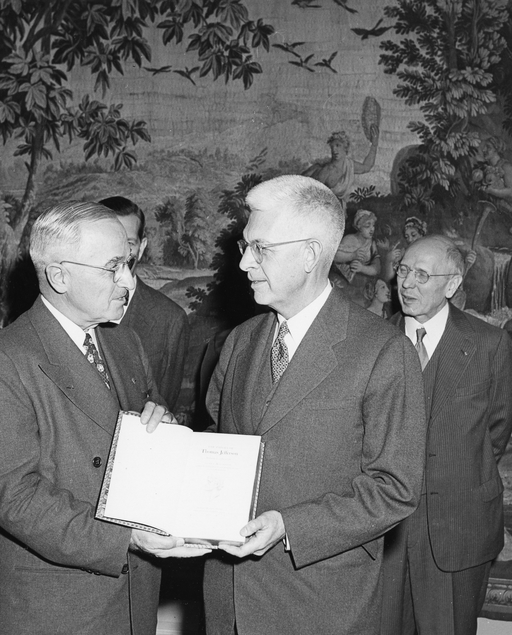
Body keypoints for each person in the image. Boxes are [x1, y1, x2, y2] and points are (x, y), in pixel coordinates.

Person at [0, 202, 208, 635]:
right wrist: (126, 538)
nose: (128, 281)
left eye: (128, 264)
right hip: (56, 604)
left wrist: (163, 425)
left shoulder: (124, 342)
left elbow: (138, 430)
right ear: (59, 276)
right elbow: (13, 496)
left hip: (131, 594)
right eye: (112, 267)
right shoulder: (5, 358)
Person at [204, 175, 427, 635]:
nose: (244, 262)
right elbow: (216, 443)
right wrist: (165, 440)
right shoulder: (241, 341)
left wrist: (290, 526)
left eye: (260, 248)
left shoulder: (382, 352)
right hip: (226, 602)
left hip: (317, 606)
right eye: (245, 247)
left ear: (309, 254)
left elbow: (394, 489)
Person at [381, 235, 512, 635]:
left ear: (453, 284)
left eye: (422, 275)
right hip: (383, 533)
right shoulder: (373, 342)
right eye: (403, 270)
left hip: (458, 533)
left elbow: (495, 434)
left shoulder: (490, 345)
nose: (406, 284)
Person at [100, 195, 190, 413]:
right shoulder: (74, 309)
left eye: (128, 244)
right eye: (107, 240)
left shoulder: (170, 320)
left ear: (141, 248)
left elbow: (163, 406)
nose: (117, 254)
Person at [303, 129, 378, 207]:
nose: (334, 149)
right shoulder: (327, 169)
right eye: (332, 147)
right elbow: (312, 194)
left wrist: (374, 145)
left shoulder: (348, 165)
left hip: (338, 207)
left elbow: (366, 167)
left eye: (338, 145)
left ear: (345, 147)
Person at [333, 208, 381, 286]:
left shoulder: (371, 243)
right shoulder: (349, 239)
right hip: (343, 280)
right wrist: (352, 256)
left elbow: (377, 269)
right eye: (367, 226)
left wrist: (362, 268)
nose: (372, 229)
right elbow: (334, 257)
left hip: (363, 282)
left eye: (373, 225)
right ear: (359, 227)